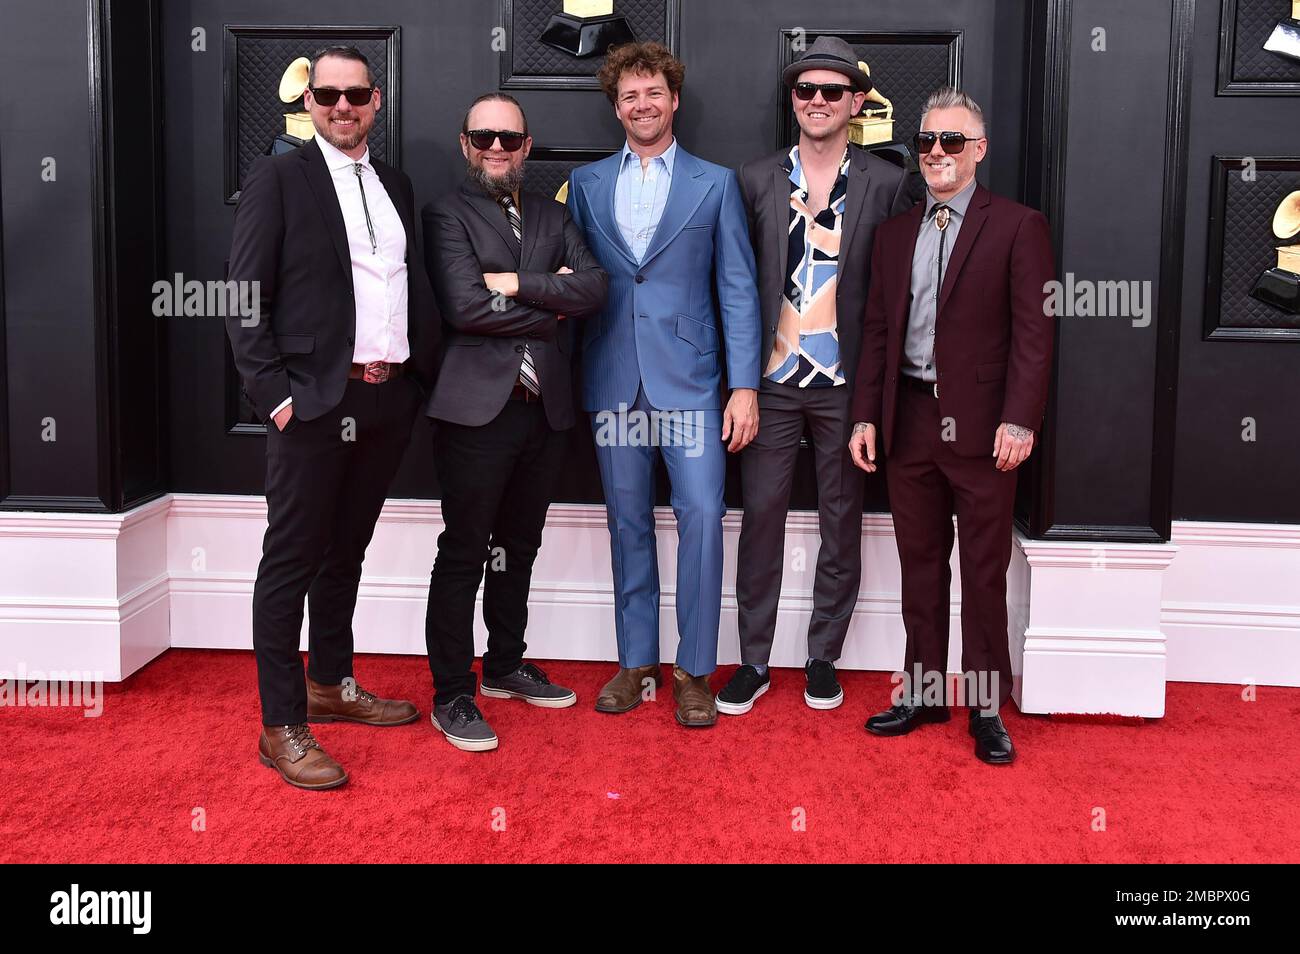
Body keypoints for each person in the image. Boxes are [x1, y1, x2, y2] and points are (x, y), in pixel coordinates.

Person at [226, 46, 439, 789]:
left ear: (375, 101)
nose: (342, 106)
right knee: (291, 561)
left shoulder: (396, 184)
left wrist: (413, 386)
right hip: (314, 402)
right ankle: (282, 724)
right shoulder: (278, 177)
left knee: (345, 550)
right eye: (328, 95)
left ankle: (332, 682)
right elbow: (243, 295)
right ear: (309, 102)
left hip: (386, 399)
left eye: (356, 94)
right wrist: (276, 398)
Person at [848, 88, 1055, 764]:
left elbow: (1034, 333)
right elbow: (877, 332)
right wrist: (866, 417)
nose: (937, 152)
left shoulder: (1019, 226)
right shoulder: (895, 233)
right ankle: (926, 692)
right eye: (927, 141)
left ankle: (987, 708)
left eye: (953, 142)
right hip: (906, 420)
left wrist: (1020, 420)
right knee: (921, 566)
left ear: (979, 150)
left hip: (984, 428)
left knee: (985, 572)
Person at [566, 42, 761, 728]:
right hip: (613, 376)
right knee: (626, 522)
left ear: (673, 99)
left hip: (695, 383)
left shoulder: (714, 183)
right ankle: (635, 661)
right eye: (628, 96)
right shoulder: (586, 186)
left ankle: (695, 669)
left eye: (653, 92)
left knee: (703, 518)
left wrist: (745, 387)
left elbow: (737, 289)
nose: (642, 104)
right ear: (615, 107)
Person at [720, 36, 912, 716]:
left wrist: (872, 399)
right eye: (806, 91)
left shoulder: (889, 183)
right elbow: (738, 287)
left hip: (844, 383)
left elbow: (892, 298)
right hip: (770, 381)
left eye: (833, 91)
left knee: (842, 522)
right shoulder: (754, 177)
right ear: (793, 101)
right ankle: (752, 661)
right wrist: (739, 381)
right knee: (760, 522)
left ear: (857, 103)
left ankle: (822, 658)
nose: (819, 101)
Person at [422, 93, 608, 752]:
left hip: (544, 412)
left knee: (518, 547)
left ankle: (503, 665)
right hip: (476, 413)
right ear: (466, 143)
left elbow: (594, 289)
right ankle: (452, 691)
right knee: (465, 551)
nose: (497, 148)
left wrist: (511, 282)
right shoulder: (446, 212)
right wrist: (548, 302)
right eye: (484, 137)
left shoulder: (556, 214)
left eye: (510, 138)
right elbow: (465, 308)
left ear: (527, 146)